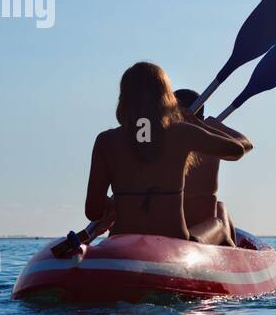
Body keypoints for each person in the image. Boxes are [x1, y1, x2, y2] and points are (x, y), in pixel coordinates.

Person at [85, 63, 248, 243]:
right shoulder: (182, 133)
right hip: (174, 242)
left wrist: (122, 203)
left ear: (124, 98)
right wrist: (199, 125)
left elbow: (93, 210)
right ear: (165, 98)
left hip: (122, 240)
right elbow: (237, 150)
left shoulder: (106, 141)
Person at [173, 88, 253, 246]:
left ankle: (227, 241)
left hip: (203, 229)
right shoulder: (163, 135)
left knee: (220, 208)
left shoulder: (209, 132)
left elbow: (245, 145)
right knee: (220, 207)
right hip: (176, 227)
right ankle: (228, 240)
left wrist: (203, 126)